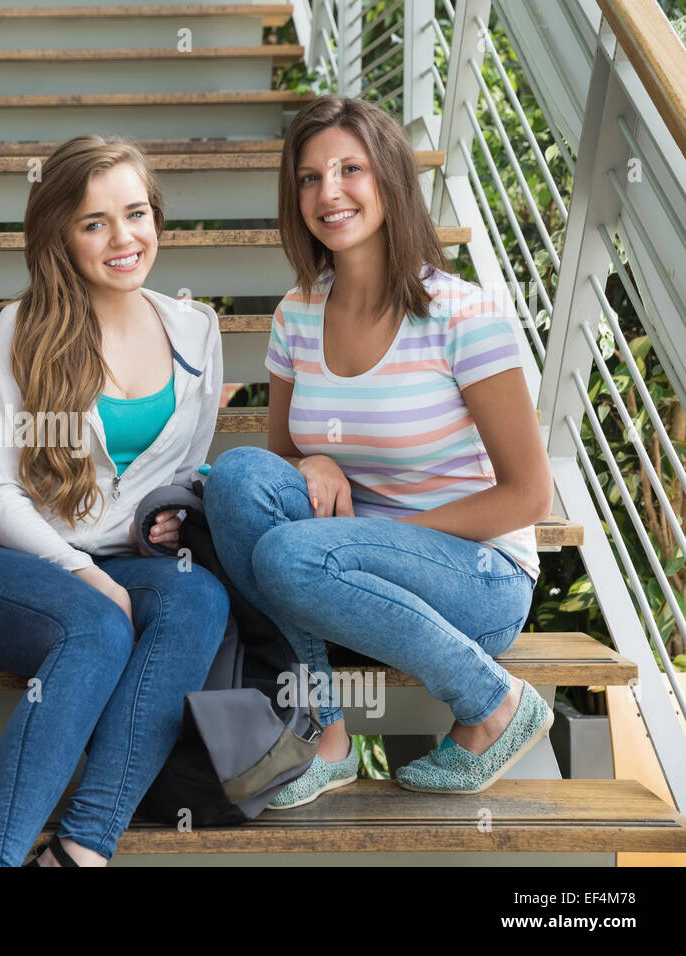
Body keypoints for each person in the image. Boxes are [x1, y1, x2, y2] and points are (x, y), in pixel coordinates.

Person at [204, 96, 554, 807]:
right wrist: (315, 464)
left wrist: (368, 536)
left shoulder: (464, 314)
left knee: (292, 553)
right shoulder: (296, 315)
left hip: (476, 578)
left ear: (390, 178)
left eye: (349, 169)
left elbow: (528, 497)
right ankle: (326, 735)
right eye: (308, 177)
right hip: (337, 576)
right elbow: (276, 476)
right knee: (236, 476)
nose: (327, 192)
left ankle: (494, 703)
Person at [0, 135, 230, 867]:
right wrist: (83, 572)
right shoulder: (22, 328)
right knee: (96, 628)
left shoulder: (196, 327)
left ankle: (81, 849)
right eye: (96, 222)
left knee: (199, 601)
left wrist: (176, 508)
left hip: (121, 562)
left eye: (136, 214)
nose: (123, 238)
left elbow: (186, 466)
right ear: (60, 237)